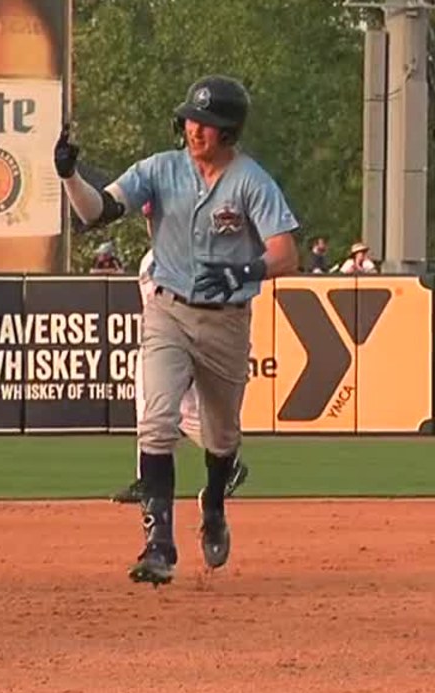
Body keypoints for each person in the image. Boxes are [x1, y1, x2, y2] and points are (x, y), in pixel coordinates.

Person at [55, 75, 300, 586]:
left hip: (226, 321)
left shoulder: (250, 180)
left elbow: (285, 253)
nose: (195, 129)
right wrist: (71, 176)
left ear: (228, 131)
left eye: (207, 123)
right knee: (157, 419)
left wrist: (245, 271)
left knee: (221, 436)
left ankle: (212, 504)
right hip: (167, 309)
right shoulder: (161, 169)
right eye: (192, 119)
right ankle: (158, 544)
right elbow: (99, 212)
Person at [109, 208, 251, 507]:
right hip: (158, 340)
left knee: (177, 413)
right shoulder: (152, 258)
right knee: (153, 413)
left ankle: (227, 458)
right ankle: (149, 479)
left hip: (182, 343)